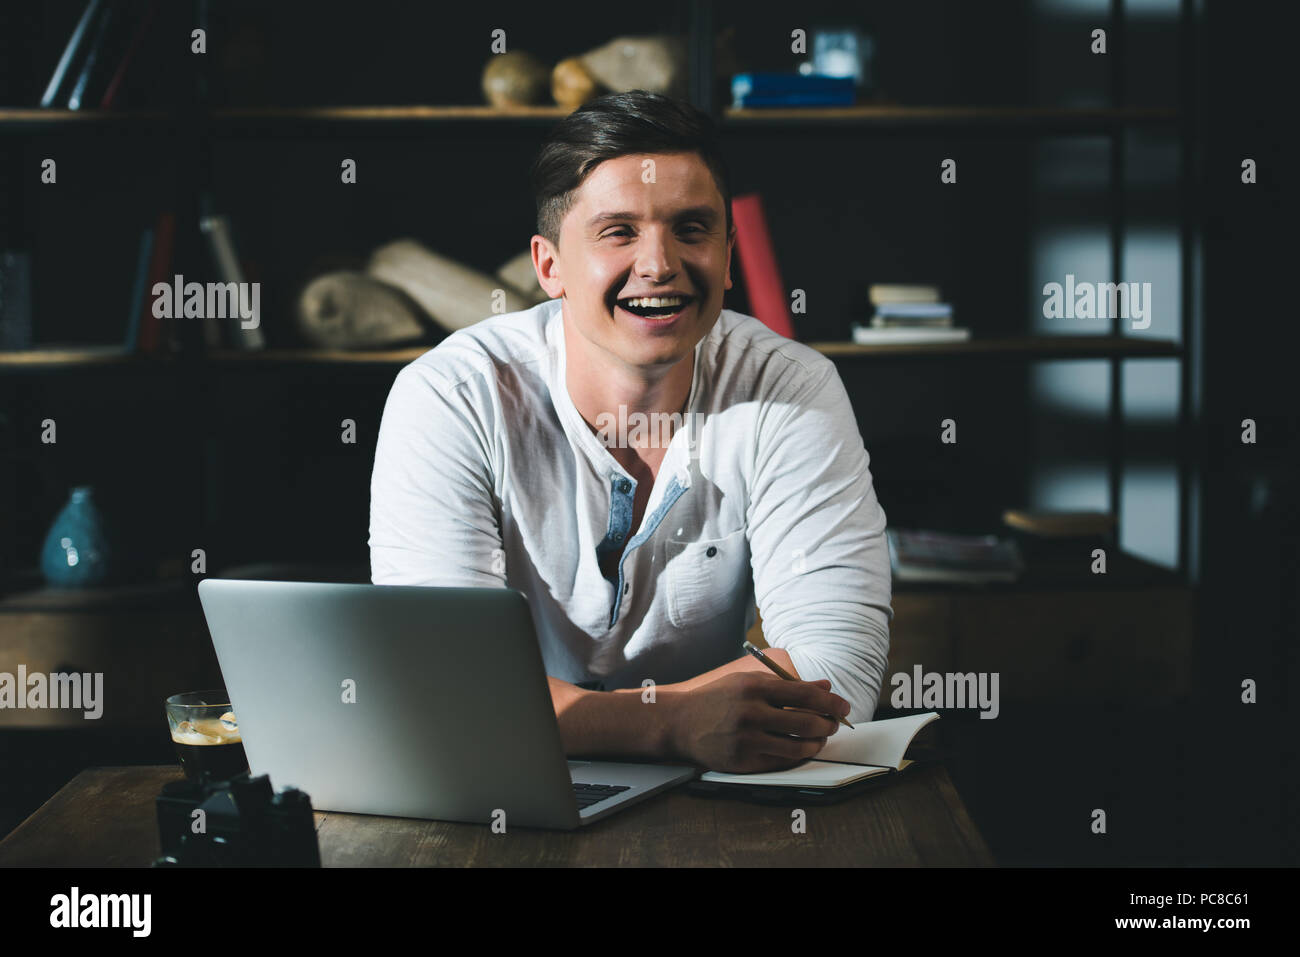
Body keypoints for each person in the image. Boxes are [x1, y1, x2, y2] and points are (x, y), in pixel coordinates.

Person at [369, 90, 892, 774]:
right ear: (548, 266)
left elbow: (840, 675)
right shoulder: (451, 396)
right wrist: (672, 723)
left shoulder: (791, 387)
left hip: (725, 790)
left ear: (729, 258)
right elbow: (443, 688)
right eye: (619, 231)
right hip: (508, 785)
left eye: (691, 229)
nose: (660, 264)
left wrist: (560, 714)